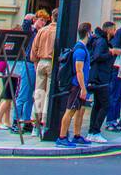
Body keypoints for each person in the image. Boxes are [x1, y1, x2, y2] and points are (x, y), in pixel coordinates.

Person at [57, 21, 92, 148]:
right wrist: (82, 88)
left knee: (80, 110)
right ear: (88, 33)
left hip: (81, 85)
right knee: (70, 110)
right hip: (77, 85)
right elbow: (79, 70)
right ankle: (62, 137)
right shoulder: (80, 50)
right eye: (91, 31)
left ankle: (77, 135)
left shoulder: (83, 48)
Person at [86, 22, 115, 143]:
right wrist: (111, 53)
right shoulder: (102, 41)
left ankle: (92, 132)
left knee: (97, 105)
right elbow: (97, 57)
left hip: (99, 77)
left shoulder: (101, 40)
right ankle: (95, 131)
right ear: (109, 31)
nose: (115, 32)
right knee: (105, 105)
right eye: (114, 30)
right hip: (100, 78)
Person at [30, 8, 55, 137]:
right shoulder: (58, 31)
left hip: (40, 62)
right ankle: (45, 122)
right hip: (51, 63)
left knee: (39, 93)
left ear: (51, 17)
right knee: (48, 94)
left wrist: (35, 63)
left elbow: (33, 50)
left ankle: (35, 124)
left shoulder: (42, 31)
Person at [13, 12, 38, 132]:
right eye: (40, 20)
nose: (42, 23)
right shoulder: (31, 32)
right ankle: (15, 122)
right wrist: (28, 19)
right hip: (28, 63)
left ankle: (27, 121)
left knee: (30, 96)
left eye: (44, 21)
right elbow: (25, 28)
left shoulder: (40, 32)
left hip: (34, 64)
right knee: (23, 94)